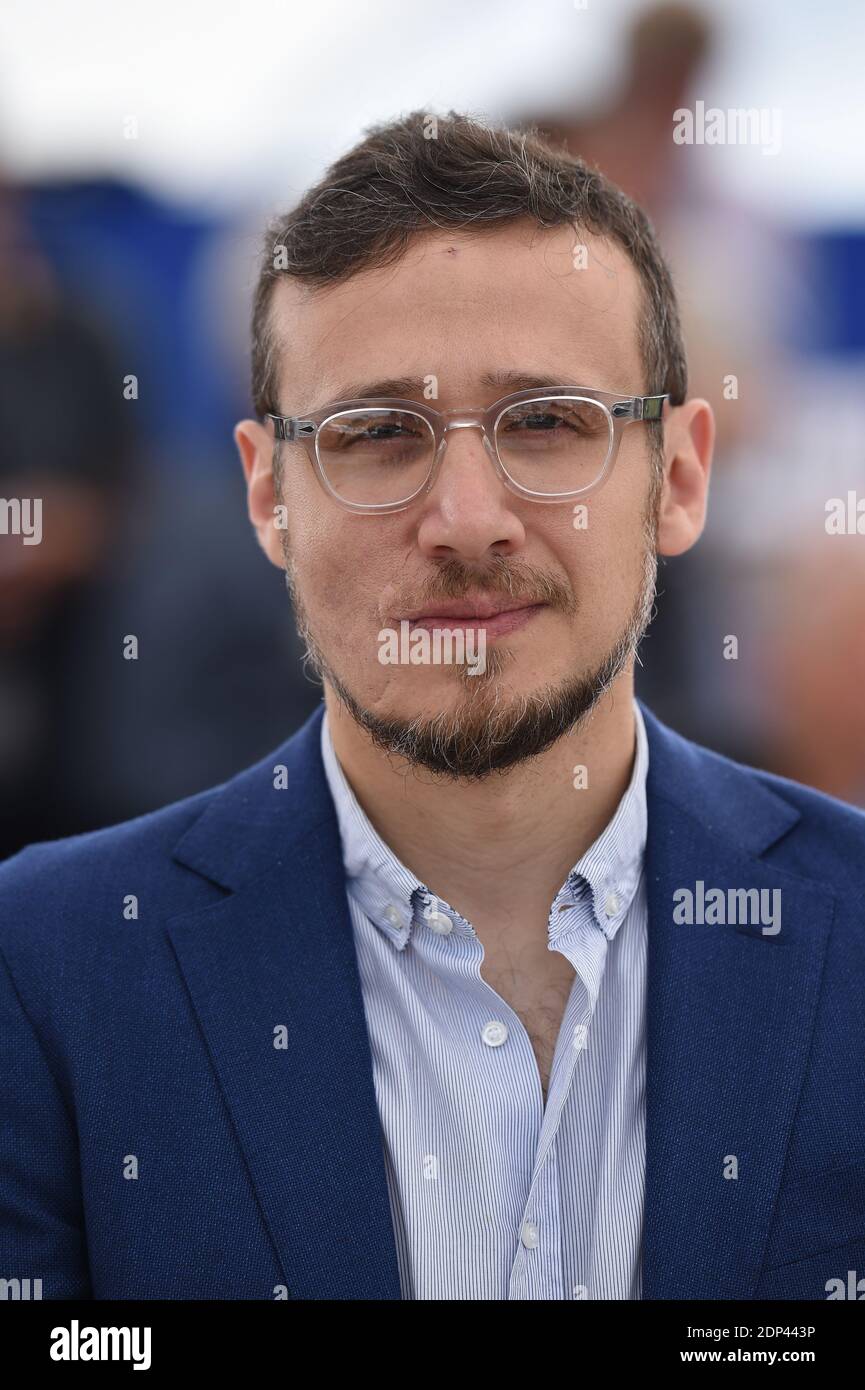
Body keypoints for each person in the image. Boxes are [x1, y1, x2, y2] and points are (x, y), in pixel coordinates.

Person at [1, 112, 863, 1302]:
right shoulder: (44, 966)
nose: (466, 517)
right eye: (378, 434)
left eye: (549, 422)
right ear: (268, 494)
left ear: (677, 477)